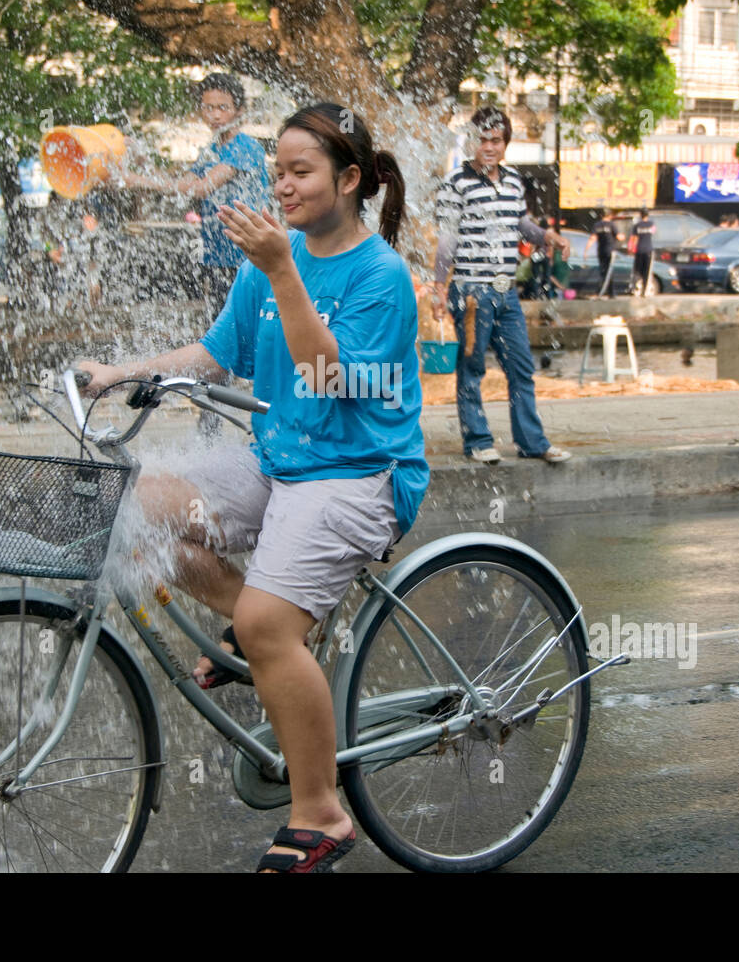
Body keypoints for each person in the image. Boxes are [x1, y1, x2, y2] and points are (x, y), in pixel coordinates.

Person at [78, 101, 426, 873]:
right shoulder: (265, 260)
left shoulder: (380, 276)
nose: (284, 186)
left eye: (300, 172)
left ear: (350, 180)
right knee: (137, 513)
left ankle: (321, 812)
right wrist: (122, 372)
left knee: (270, 625)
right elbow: (216, 350)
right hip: (279, 464)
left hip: (359, 474)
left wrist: (280, 267)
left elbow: (327, 374)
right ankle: (259, 629)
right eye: (277, 172)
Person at [431, 106, 570, 464]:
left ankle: (532, 442)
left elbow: (520, 224)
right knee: (472, 367)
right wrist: (439, 288)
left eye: (496, 140)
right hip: (472, 292)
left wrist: (547, 236)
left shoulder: (512, 180)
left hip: (506, 291)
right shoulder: (455, 183)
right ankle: (477, 440)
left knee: (521, 367)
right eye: (482, 139)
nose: (488, 147)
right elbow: (446, 241)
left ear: (506, 144)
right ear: (472, 141)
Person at [125, 72, 270, 318]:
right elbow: (181, 184)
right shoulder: (211, 150)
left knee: (246, 329)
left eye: (223, 108)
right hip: (217, 254)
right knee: (219, 326)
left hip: (248, 255)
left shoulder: (246, 147)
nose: (215, 115)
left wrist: (137, 180)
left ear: (240, 111)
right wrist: (141, 160)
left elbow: (203, 188)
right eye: (208, 108)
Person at [586, 208, 620, 298]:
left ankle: (600, 291)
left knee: (603, 271)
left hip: (601, 251)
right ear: (609, 215)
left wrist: (586, 250)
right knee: (609, 272)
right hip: (610, 251)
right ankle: (611, 293)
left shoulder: (597, 225)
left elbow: (593, 238)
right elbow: (619, 237)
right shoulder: (611, 225)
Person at [629, 208, 656, 296]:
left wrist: (632, 249)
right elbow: (654, 233)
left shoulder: (637, 225)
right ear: (648, 215)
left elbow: (635, 239)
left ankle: (635, 289)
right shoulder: (651, 224)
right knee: (647, 271)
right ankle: (645, 291)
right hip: (648, 250)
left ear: (640, 215)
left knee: (637, 270)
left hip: (639, 250)